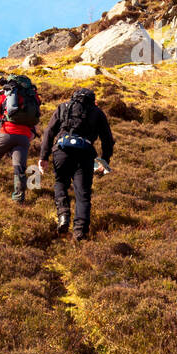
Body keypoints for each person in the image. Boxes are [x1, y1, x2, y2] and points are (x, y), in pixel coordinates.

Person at [38, 87, 114, 241]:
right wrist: (104, 160)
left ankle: (63, 215)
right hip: (85, 153)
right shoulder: (97, 112)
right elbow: (107, 139)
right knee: (83, 194)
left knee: (60, 183)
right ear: (92, 100)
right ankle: (80, 232)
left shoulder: (63, 107)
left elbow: (49, 132)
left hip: (61, 150)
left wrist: (43, 156)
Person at [0, 75, 41, 204]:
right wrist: (29, 137)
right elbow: (36, 123)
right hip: (24, 138)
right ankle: (18, 200)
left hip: (6, 133)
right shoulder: (33, 99)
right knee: (19, 168)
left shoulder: (3, 97)